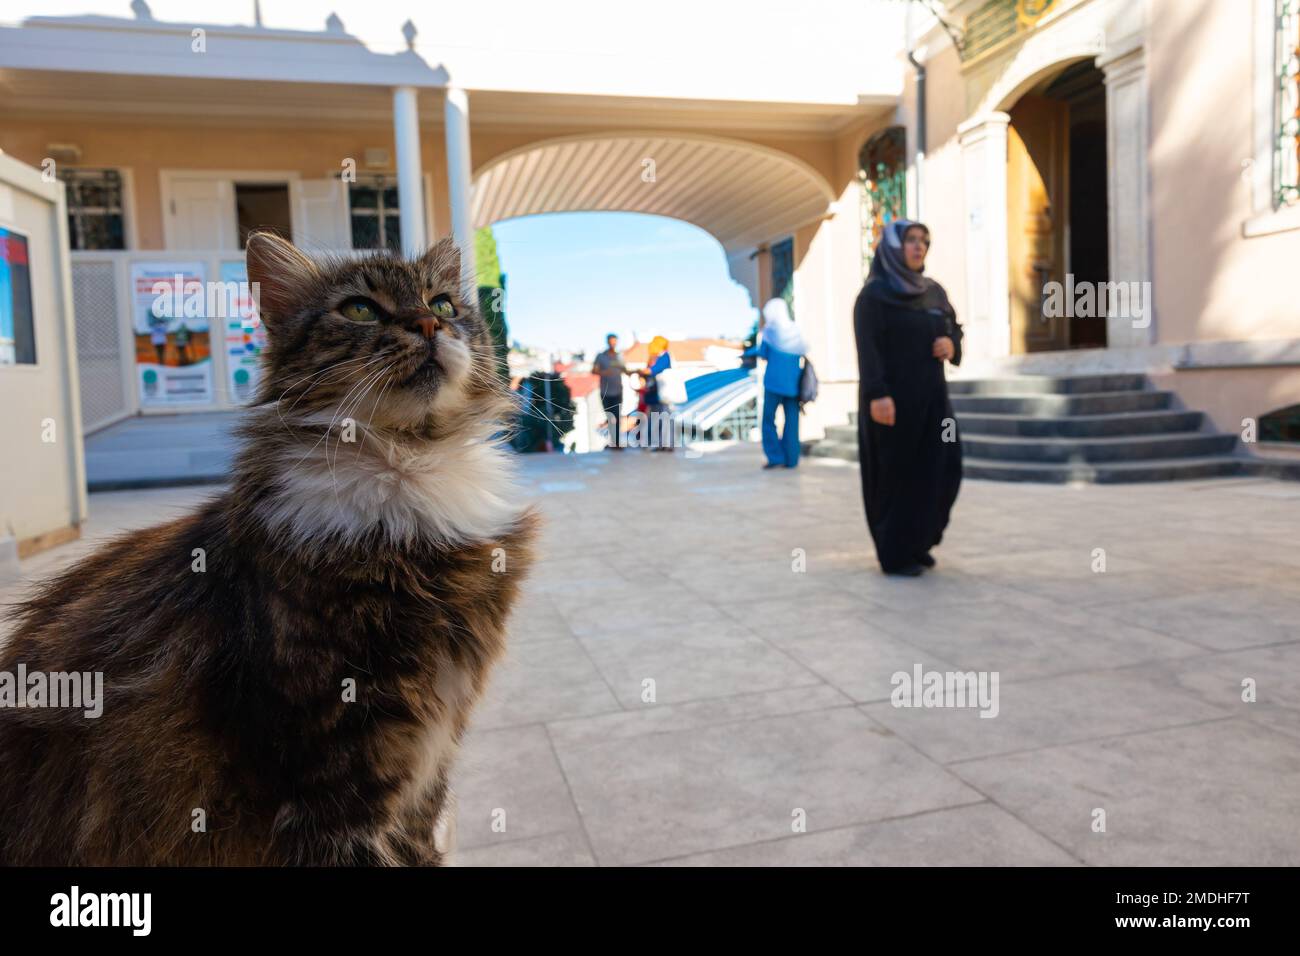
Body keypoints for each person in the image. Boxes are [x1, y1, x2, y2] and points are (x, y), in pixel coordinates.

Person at [853, 219, 963, 577]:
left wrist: (952, 345)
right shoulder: (874, 296)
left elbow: (953, 328)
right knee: (897, 475)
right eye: (911, 240)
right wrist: (878, 395)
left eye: (924, 241)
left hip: (936, 405)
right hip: (893, 405)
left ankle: (920, 541)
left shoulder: (934, 292)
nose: (918, 247)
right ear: (893, 246)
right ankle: (895, 552)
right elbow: (868, 352)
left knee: (945, 465)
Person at [751, 297, 807, 470]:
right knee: (792, 421)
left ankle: (776, 458)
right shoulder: (795, 331)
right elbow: (802, 352)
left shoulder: (770, 332)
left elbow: (763, 354)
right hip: (793, 384)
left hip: (774, 384)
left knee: (768, 420)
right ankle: (791, 459)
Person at [636, 335, 674, 451]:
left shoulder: (664, 356)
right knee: (656, 420)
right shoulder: (655, 357)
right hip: (653, 395)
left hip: (661, 395)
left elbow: (653, 370)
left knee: (664, 419)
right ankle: (660, 443)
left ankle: (667, 444)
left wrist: (641, 372)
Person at [593, 333, 628, 450]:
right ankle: (612, 441)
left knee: (617, 417)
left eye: (615, 341)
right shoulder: (601, 356)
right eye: (611, 341)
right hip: (605, 392)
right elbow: (594, 370)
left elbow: (625, 370)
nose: (613, 343)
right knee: (610, 417)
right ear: (607, 342)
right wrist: (604, 373)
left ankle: (617, 442)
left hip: (618, 391)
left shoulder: (619, 356)